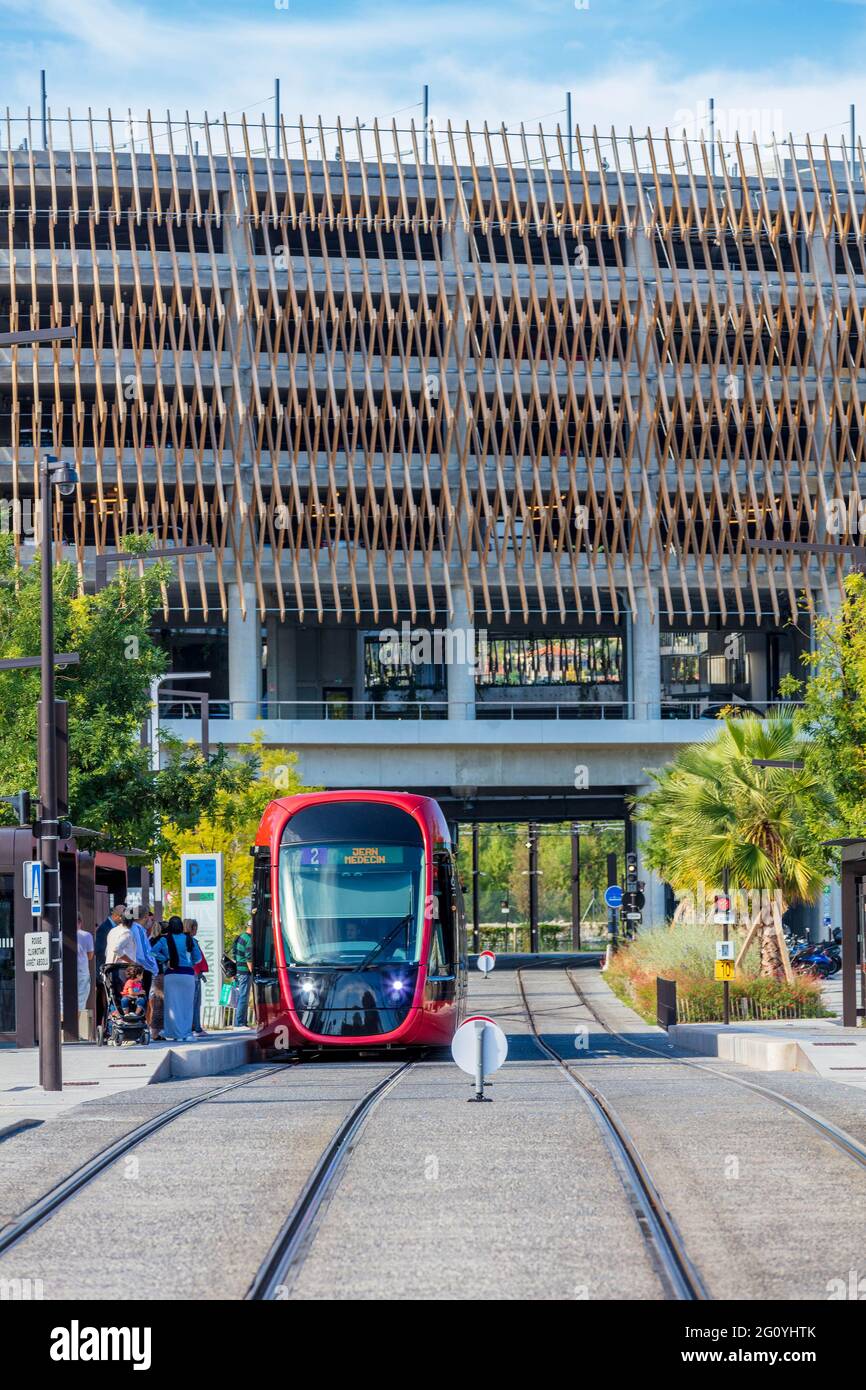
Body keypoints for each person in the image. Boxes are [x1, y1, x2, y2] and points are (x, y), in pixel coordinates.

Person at [152, 915, 202, 1041]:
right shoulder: (189, 939)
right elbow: (198, 958)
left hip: (171, 975)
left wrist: (165, 959)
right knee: (187, 1006)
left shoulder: (164, 940)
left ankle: (175, 1034)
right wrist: (190, 963)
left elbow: (151, 952)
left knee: (172, 1006)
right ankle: (186, 1033)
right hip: (187, 975)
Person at [184, 918, 208, 1036]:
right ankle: (196, 1028)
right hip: (194, 974)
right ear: (192, 928)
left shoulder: (178, 939)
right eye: (196, 928)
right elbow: (198, 959)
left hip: (182, 973)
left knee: (186, 1003)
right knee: (195, 1003)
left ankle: (189, 1027)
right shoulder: (192, 941)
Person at [232, 919, 254, 1028]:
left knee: (242, 996)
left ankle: (242, 1022)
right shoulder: (249, 939)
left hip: (239, 970)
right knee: (244, 997)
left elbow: (235, 954)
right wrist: (253, 972)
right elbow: (249, 959)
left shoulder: (241, 937)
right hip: (245, 972)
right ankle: (240, 1023)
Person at [76, 914, 94, 1019]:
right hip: (82, 971)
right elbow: (90, 955)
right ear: (80, 922)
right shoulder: (87, 935)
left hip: (63, 972)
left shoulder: (60, 934)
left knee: (63, 999)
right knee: (80, 1001)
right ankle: (76, 1027)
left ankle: (63, 1028)